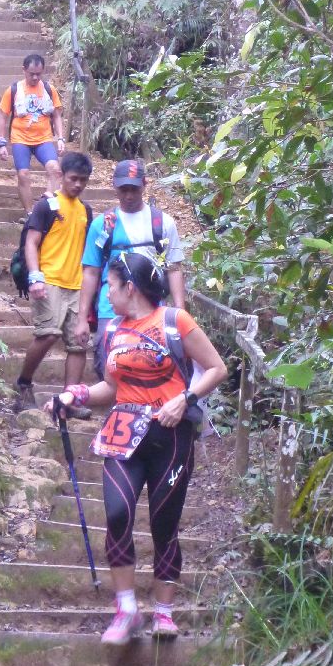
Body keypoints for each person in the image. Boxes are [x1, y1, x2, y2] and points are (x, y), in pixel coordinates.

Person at [48, 251, 227, 642]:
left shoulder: (174, 322)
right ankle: (126, 609)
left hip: (172, 437)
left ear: (130, 287)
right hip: (123, 434)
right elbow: (111, 389)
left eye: (110, 287)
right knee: (116, 514)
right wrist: (73, 395)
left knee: (164, 523)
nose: (106, 295)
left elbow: (216, 368)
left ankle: (163, 613)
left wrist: (186, 400)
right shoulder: (113, 331)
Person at [74, 158, 185, 380]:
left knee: (152, 357)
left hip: (153, 304)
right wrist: (82, 318)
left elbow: (174, 267)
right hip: (111, 304)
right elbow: (91, 272)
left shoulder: (162, 222)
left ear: (144, 184)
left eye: (134, 189)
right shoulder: (103, 224)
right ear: (114, 186)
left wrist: (180, 312)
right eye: (123, 189)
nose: (129, 195)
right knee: (106, 357)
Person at [13, 151, 94, 413]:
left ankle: (69, 400)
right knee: (47, 335)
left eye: (83, 180)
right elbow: (31, 242)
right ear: (61, 176)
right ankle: (24, 383)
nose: (78, 184)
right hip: (49, 281)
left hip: (77, 285)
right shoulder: (47, 205)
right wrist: (35, 277)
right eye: (73, 178)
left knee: (78, 344)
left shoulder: (85, 211)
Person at [0, 54, 65, 218]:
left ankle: (49, 203)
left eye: (39, 74)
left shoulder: (49, 89)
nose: (35, 77)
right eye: (31, 73)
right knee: (23, 174)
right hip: (20, 139)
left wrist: (61, 138)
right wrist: (2, 142)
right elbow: (2, 115)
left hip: (44, 139)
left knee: (55, 169)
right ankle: (30, 213)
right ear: (24, 70)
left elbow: (56, 115)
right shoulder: (13, 90)